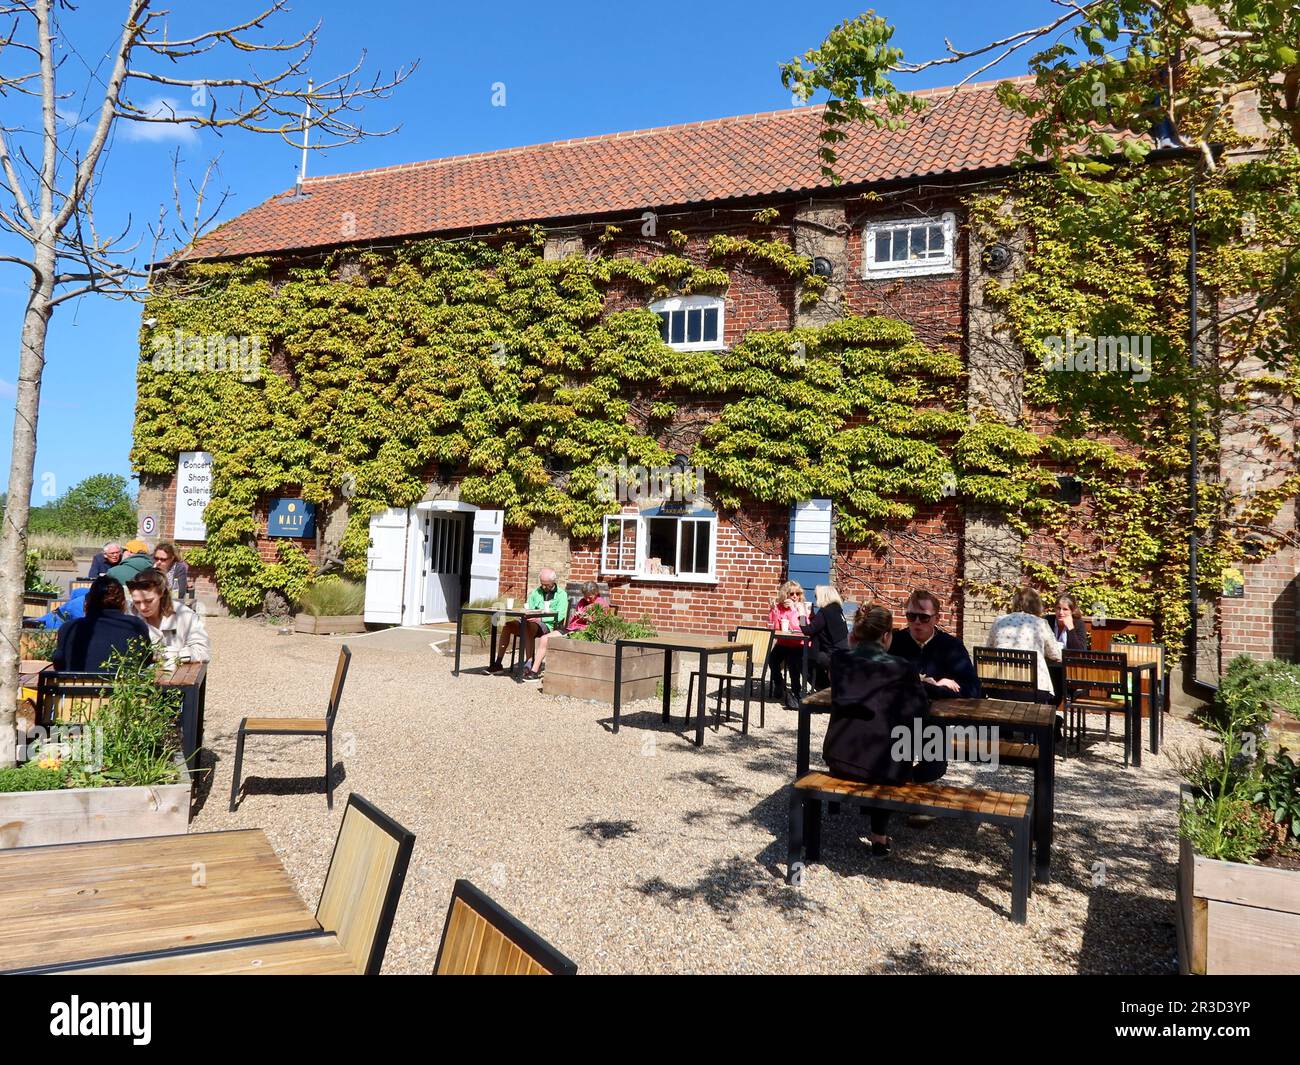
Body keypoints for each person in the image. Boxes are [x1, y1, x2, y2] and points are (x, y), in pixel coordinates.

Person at [823, 603, 946, 856]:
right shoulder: (902, 667)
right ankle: (879, 833)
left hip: (838, 758)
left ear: (855, 633)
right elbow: (919, 714)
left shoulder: (838, 661)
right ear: (886, 635)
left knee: (886, 744)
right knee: (924, 750)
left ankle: (878, 831)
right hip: (882, 770)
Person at [888, 589, 979, 699]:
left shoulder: (952, 646)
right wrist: (932, 686)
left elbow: (973, 689)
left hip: (939, 714)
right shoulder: (894, 642)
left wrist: (938, 689)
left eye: (924, 617)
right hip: (904, 713)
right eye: (911, 616)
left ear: (936, 619)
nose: (917, 621)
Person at [53, 576, 152, 672]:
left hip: (75, 687)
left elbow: (59, 663)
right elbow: (145, 661)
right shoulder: (135, 625)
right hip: (123, 687)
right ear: (123, 603)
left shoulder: (69, 628)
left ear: (88, 602)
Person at [488, 568, 568, 676]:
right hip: (530, 622)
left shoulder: (561, 595)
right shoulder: (536, 592)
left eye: (546, 584)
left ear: (553, 582)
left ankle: (529, 663)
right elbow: (528, 607)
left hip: (548, 625)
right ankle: (498, 663)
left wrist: (541, 619)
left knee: (528, 626)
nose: (544, 587)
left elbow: (560, 615)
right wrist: (523, 615)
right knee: (508, 625)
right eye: (542, 584)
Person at [987, 587, 1062, 701]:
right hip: (1034, 689)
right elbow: (1056, 654)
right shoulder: (1040, 623)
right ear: (1037, 604)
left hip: (999, 686)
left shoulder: (999, 620)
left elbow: (989, 649)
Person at [126, 567, 211, 665]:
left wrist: (178, 655)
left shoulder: (184, 615)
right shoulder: (128, 614)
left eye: (149, 601)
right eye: (137, 602)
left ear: (161, 593)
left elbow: (203, 651)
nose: (142, 607)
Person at [527, 581, 609, 680]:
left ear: (596, 593)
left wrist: (588, 619)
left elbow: (601, 624)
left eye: (590, 597)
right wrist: (578, 615)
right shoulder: (583, 602)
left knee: (559, 638)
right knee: (544, 638)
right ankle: (534, 670)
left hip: (583, 631)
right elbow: (575, 619)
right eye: (585, 596)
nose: (587, 599)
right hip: (572, 628)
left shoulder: (602, 604)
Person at [768, 580, 810, 706]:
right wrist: (773, 610)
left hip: (798, 644)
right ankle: (779, 683)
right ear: (785, 594)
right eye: (792, 594)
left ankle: (796, 693)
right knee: (772, 660)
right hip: (783, 642)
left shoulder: (802, 608)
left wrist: (794, 610)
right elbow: (773, 627)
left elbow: (801, 627)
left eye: (798, 593)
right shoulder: (780, 608)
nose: (795, 596)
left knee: (793, 664)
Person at [800, 584, 849, 691]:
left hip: (833, 655)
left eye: (816, 596)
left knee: (805, 662)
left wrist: (802, 615)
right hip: (844, 652)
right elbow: (819, 627)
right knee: (812, 657)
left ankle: (825, 690)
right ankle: (829, 689)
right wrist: (812, 616)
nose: (815, 599)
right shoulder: (836, 609)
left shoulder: (825, 612)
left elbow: (807, 630)